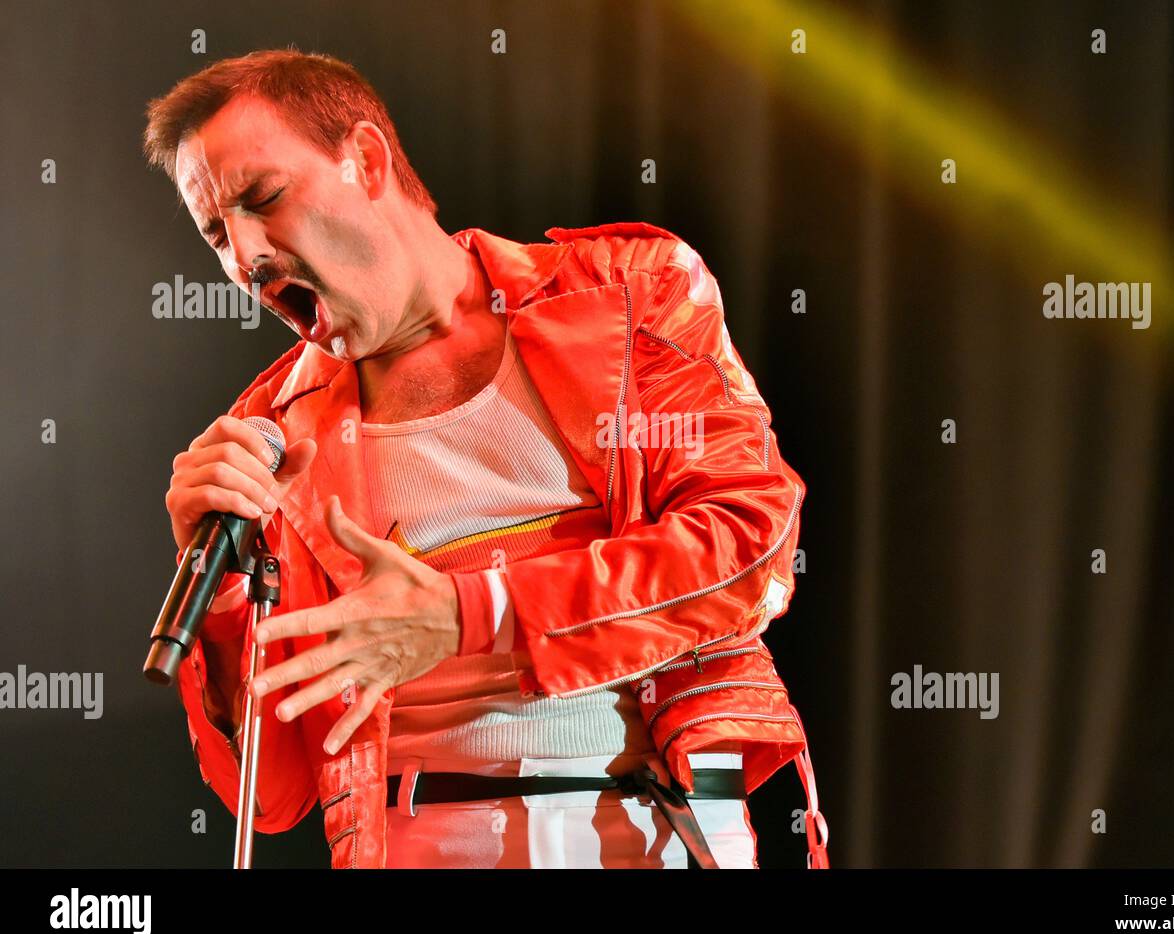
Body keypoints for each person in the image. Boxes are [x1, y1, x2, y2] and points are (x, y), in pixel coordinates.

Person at [145, 49, 827, 869]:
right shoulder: (269, 433)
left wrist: (472, 613)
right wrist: (222, 589)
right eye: (217, 232)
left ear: (366, 160)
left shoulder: (630, 293)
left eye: (263, 198)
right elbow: (272, 794)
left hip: (661, 832)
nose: (244, 257)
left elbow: (749, 545)